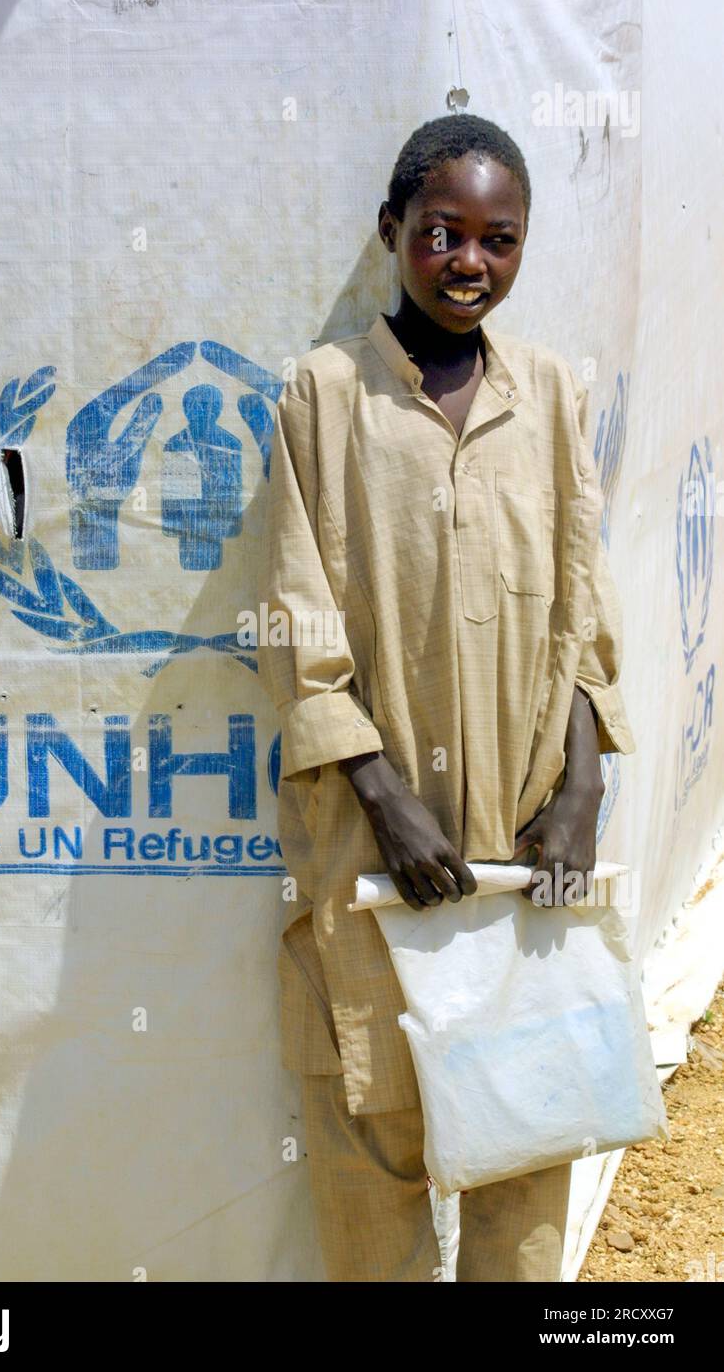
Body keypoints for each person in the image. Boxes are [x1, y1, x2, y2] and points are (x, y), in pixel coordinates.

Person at [257, 114, 637, 1282]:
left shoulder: (555, 394)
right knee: (374, 1117)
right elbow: (293, 620)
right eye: (440, 233)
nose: (467, 261)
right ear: (392, 233)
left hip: (525, 838)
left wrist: (577, 795)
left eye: (497, 238)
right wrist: (380, 792)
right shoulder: (323, 398)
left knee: (528, 1120)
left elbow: (579, 611)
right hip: (377, 843)